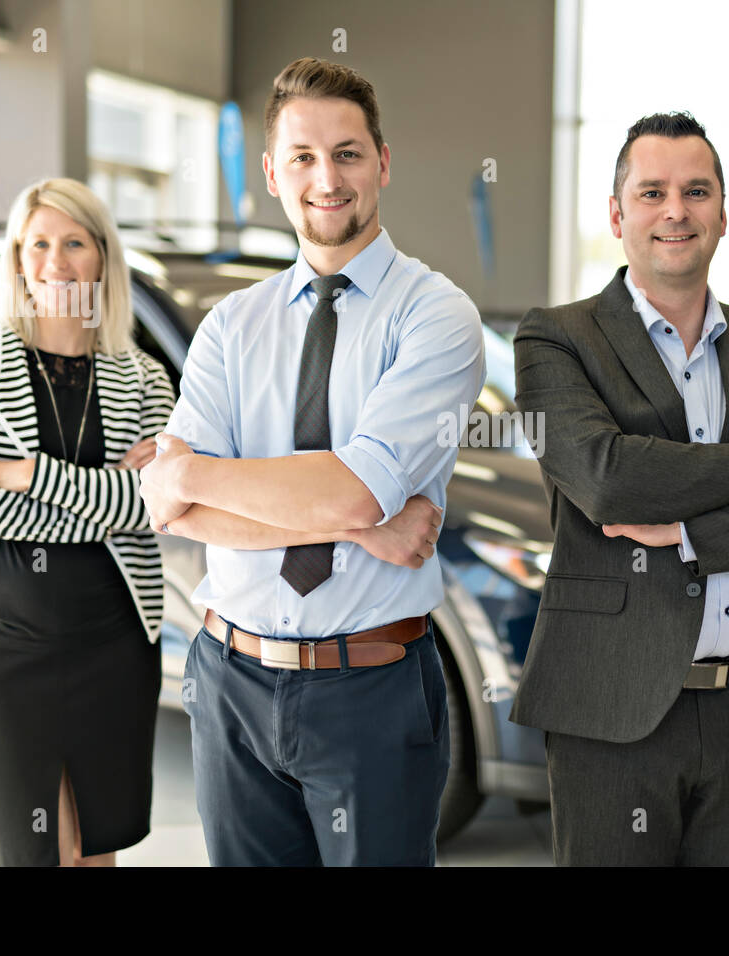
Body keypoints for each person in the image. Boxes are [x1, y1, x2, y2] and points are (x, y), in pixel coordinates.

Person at [138, 56, 485, 867]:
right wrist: (363, 530)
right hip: (230, 678)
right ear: (271, 173)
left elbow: (355, 490)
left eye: (347, 153)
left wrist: (188, 471)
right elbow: (173, 514)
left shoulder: (436, 315)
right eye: (302, 157)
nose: (325, 178)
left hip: (371, 685)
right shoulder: (230, 325)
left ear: (383, 162)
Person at [509, 112, 729, 866]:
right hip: (609, 710)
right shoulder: (556, 338)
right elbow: (608, 478)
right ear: (617, 214)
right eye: (652, 192)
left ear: (723, 213)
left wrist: (690, 533)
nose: (676, 210)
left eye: (696, 191)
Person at [0, 177, 176, 866]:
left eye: (74, 242)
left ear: (103, 257)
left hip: (113, 644)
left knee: (95, 850)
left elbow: (154, 505)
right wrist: (101, 492)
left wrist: (25, 474)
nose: (55, 261)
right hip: (2, 649)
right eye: (38, 243)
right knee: (33, 852)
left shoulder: (144, 378)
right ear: (18, 259)